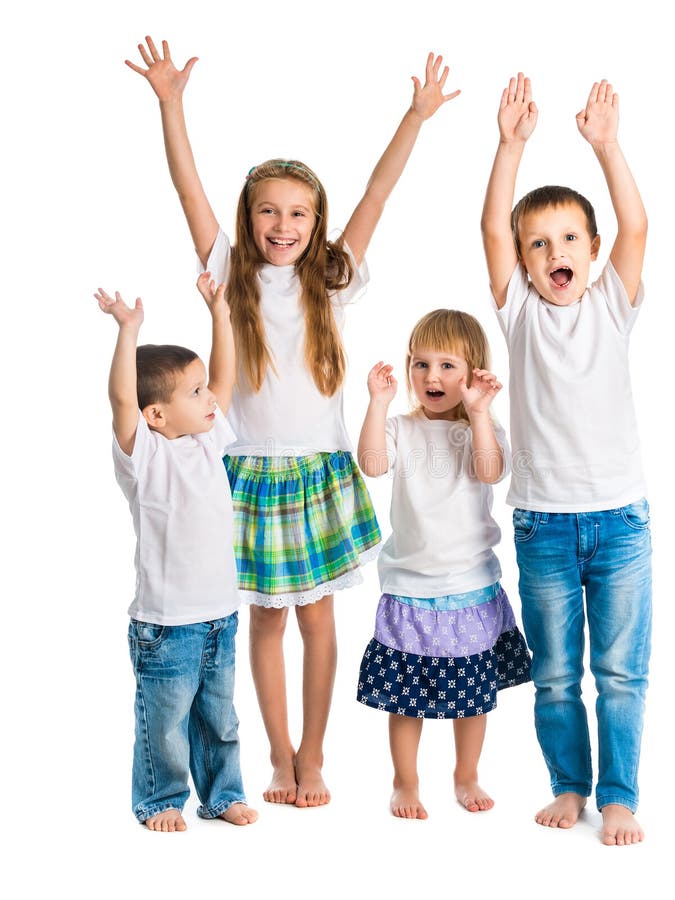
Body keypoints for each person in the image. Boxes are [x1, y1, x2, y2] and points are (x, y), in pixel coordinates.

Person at [126, 36, 460, 808]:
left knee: (317, 621)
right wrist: (171, 104)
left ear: (316, 221)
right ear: (248, 218)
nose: (283, 224)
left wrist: (415, 116)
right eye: (268, 211)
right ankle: (277, 757)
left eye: (298, 213)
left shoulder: (331, 279)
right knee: (265, 626)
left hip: (318, 467)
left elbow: (375, 196)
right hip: (245, 469)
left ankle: (313, 755)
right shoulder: (229, 275)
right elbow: (187, 190)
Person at [481, 75, 651, 846]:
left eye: (570, 239)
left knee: (618, 672)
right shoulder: (518, 311)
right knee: (554, 675)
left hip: (619, 522)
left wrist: (606, 146)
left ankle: (617, 796)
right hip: (543, 525)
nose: (555, 252)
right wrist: (508, 146)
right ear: (523, 263)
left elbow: (636, 224)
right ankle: (568, 786)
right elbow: (491, 228)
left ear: (592, 251)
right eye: (538, 243)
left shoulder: (611, 303)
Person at [97, 273, 258, 832]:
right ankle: (160, 799)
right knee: (164, 722)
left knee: (220, 718)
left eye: (203, 389)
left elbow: (227, 378)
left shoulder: (208, 441)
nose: (210, 397)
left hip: (219, 615)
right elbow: (123, 398)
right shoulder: (143, 456)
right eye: (194, 392)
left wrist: (220, 313)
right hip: (166, 625)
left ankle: (222, 794)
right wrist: (129, 329)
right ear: (156, 415)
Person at [356, 309, 531, 819]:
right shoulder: (400, 428)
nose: (431, 376)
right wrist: (377, 403)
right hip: (410, 586)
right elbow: (372, 464)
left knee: (473, 695)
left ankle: (466, 774)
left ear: (474, 372)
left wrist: (478, 414)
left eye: (447, 366)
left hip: (470, 584)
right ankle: (405, 781)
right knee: (404, 698)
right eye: (421, 364)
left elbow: (490, 471)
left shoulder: (484, 426)